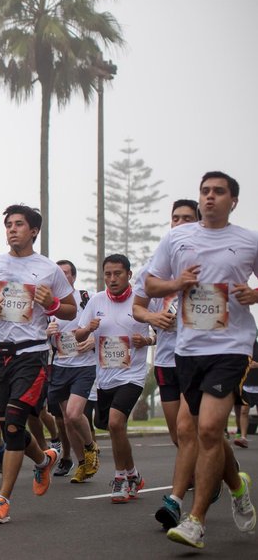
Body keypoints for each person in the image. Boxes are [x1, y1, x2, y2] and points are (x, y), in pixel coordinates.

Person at [145, 171, 257, 548]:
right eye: (205, 191)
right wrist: (177, 284)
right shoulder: (177, 239)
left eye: (218, 192)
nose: (210, 197)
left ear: (233, 201)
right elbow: (150, 284)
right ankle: (238, 488)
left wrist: (254, 294)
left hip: (231, 346)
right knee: (202, 432)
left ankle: (195, 520)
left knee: (208, 429)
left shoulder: (248, 240)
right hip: (189, 349)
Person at [0, 204, 76, 524]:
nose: (12, 229)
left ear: (34, 231)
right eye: (8, 225)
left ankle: (2, 501)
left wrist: (52, 303)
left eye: (19, 224)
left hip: (32, 354)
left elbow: (70, 309)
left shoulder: (48, 269)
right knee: (8, 426)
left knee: (15, 422)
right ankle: (43, 460)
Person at [131, 199, 200, 528]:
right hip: (166, 360)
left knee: (191, 430)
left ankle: (178, 499)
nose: (180, 223)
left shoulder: (206, 261)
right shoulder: (155, 267)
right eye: (176, 218)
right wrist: (153, 318)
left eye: (187, 218)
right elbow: (137, 308)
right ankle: (224, 474)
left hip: (199, 357)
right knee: (178, 434)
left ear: (198, 223)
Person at [75, 254, 152, 503]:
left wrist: (147, 340)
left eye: (117, 273)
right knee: (111, 427)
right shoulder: (97, 300)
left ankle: (120, 479)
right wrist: (88, 329)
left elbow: (163, 330)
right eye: (107, 274)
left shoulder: (141, 300)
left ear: (129, 274)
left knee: (116, 423)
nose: (112, 278)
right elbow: (77, 335)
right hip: (106, 377)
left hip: (133, 375)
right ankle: (133, 474)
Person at [45, 259, 100, 484]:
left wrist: (94, 340)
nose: (62, 276)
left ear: (73, 277)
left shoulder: (87, 298)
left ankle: (90, 447)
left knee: (75, 414)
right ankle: (82, 463)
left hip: (83, 366)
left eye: (66, 273)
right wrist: (46, 332)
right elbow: (36, 334)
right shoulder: (48, 304)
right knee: (67, 421)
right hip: (60, 366)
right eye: (58, 273)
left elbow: (106, 322)